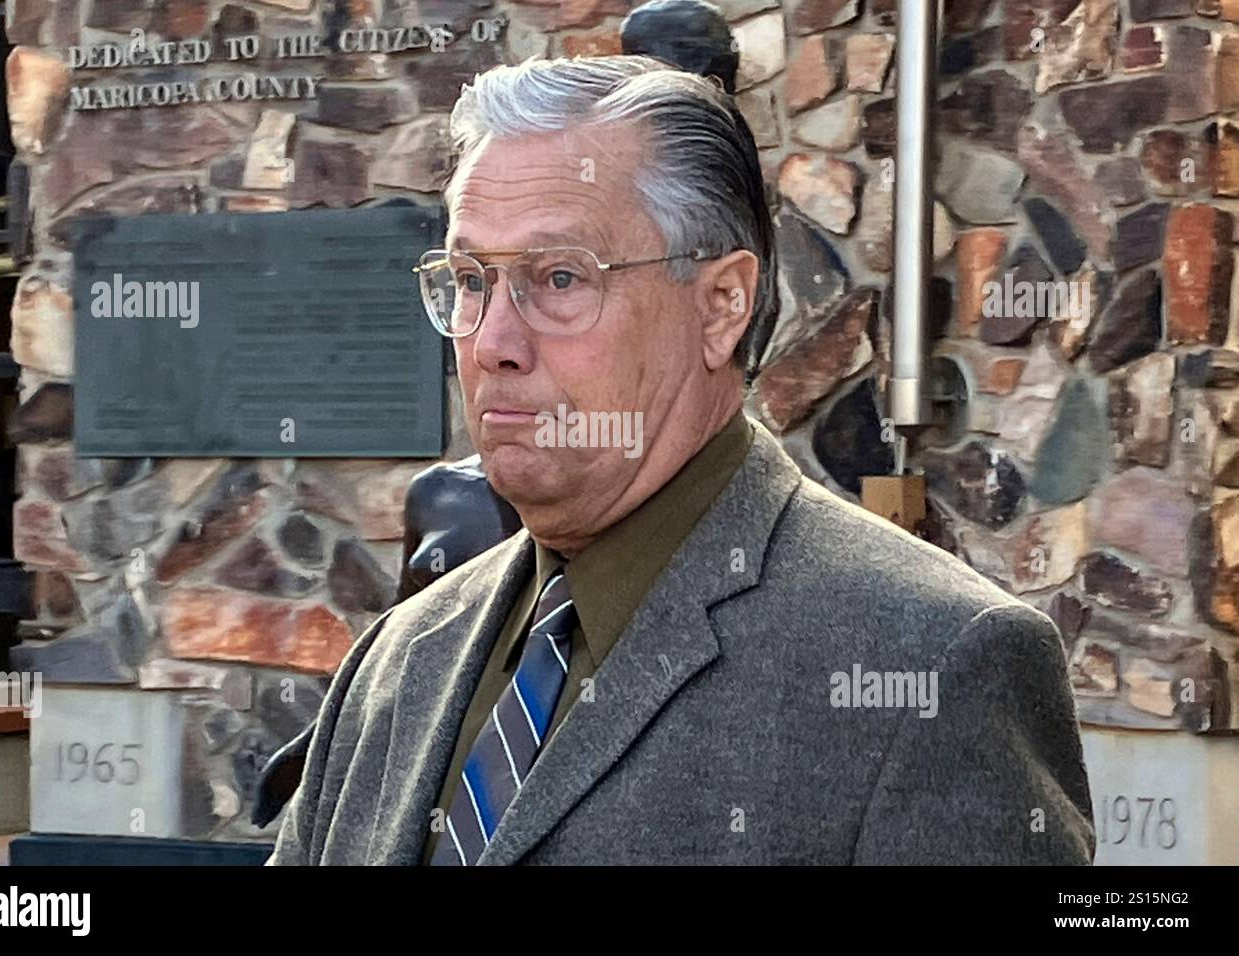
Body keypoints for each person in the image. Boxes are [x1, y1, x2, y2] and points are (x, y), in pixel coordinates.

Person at [266, 55, 1094, 866]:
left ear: (722, 305)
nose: (493, 342)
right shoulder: (400, 658)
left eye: (560, 278)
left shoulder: (935, 663)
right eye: (472, 277)